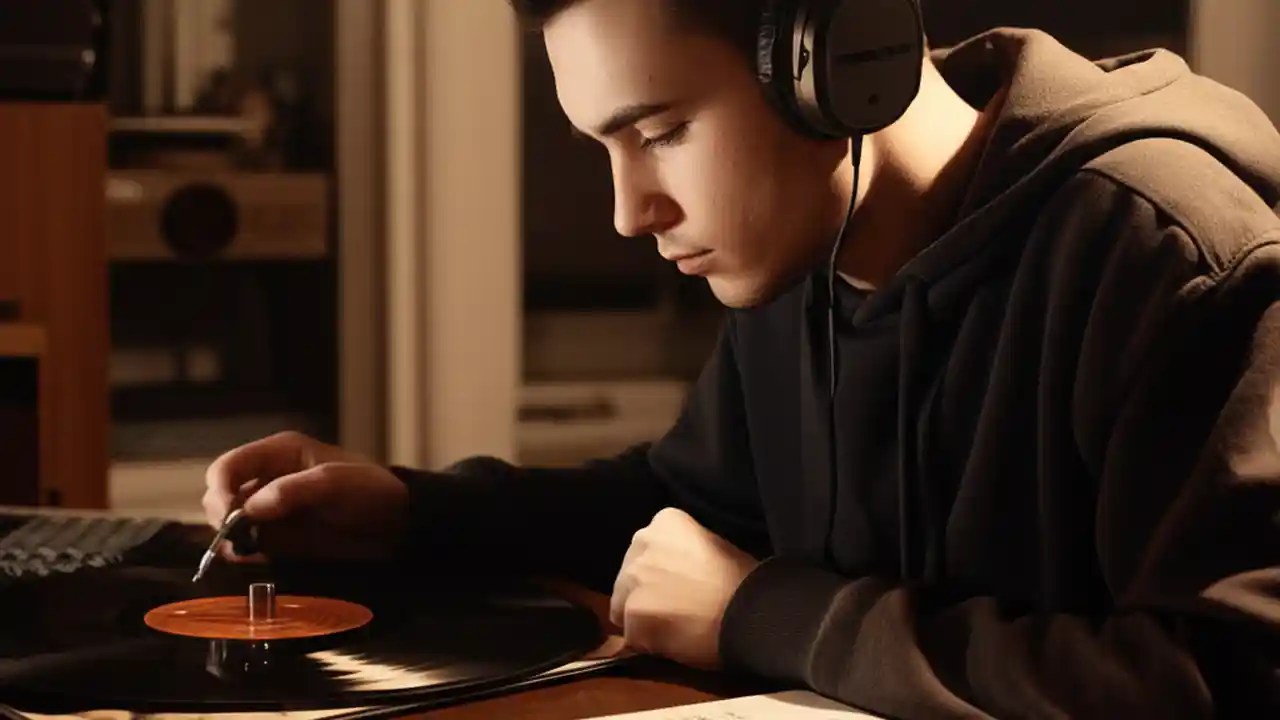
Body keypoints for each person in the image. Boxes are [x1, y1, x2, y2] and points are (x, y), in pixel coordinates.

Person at [203, 0, 1280, 716]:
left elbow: (1222, 680)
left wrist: (769, 616)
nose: (629, 212)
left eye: (659, 132)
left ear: (841, 67)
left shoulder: (1169, 256)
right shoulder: (799, 248)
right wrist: (412, 513)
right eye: (604, 148)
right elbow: (699, 504)